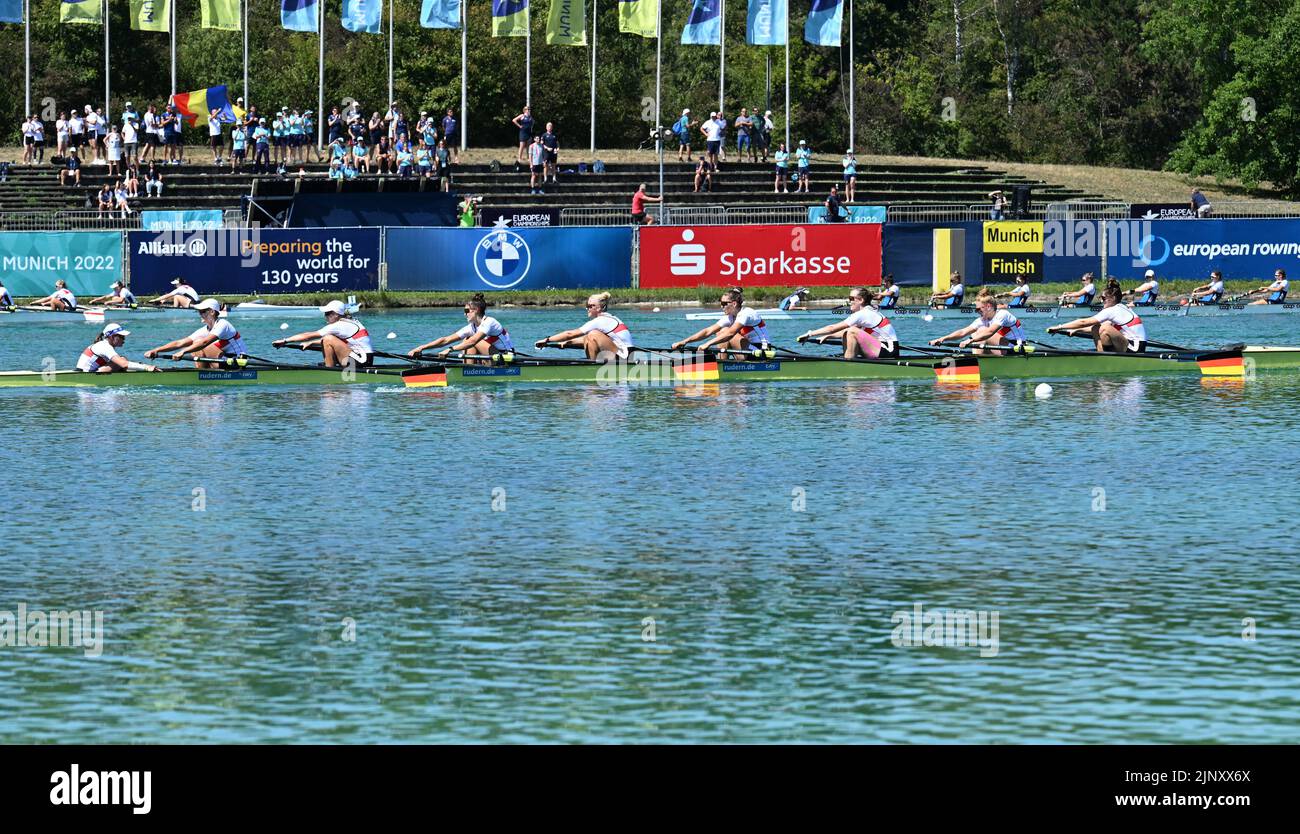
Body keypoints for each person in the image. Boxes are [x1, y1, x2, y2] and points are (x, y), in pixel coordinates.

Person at [408, 294, 514, 362]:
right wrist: (422, 347)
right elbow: (446, 340)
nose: (465, 314)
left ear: (475, 310)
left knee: (470, 340)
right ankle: (469, 370)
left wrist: (450, 350)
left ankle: (469, 370)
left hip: (505, 358)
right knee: (468, 339)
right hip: (490, 357)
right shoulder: (471, 327)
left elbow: (473, 341)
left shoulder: (490, 322)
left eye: (466, 311)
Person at [800, 288, 901, 359]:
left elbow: (832, 327)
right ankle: (848, 358)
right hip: (879, 348)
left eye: (851, 298)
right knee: (849, 331)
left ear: (861, 300)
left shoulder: (863, 313)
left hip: (889, 351)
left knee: (851, 331)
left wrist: (810, 333)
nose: (849, 302)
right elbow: (842, 331)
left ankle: (848, 364)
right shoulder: (867, 312)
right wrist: (828, 336)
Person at [146, 299, 249, 366]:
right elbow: (179, 343)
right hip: (222, 361)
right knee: (195, 344)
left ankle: (205, 375)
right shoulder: (205, 329)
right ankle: (202, 374)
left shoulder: (223, 324)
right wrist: (156, 350)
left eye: (203, 311)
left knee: (198, 342)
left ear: (212, 312)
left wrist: (183, 352)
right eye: (199, 312)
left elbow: (204, 343)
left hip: (237, 362)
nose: (200, 314)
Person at [1048, 283, 1147, 353]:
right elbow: (1092, 327)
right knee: (1097, 327)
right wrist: (1077, 329)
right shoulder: (1121, 307)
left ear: (1113, 298)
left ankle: (1102, 356)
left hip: (1136, 348)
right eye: (1100, 298)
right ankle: (1103, 353)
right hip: (1130, 344)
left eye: (1103, 298)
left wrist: (1059, 327)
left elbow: (1084, 321)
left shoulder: (1112, 310)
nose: (1101, 300)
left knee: (1104, 328)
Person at [275, 300, 373, 367]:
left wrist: (285, 340)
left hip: (361, 361)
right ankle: (330, 365)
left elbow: (307, 335)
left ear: (336, 314)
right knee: (328, 339)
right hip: (364, 358)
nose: (325, 316)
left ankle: (329, 370)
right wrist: (311, 343)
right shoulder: (350, 321)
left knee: (327, 339)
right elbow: (339, 341)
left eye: (327, 313)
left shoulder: (339, 325)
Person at [536, 292, 634, 360]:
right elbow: (583, 340)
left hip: (625, 357)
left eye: (591, 306)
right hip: (624, 354)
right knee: (589, 336)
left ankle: (592, 368)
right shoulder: (609, 319)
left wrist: (547, 340)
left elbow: (570, 334)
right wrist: (564, 343)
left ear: (601, 308)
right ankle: (594, 364)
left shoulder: (601, 321)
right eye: (587, 305)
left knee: (592, 335)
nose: (588, 308)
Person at [671, 288, 772, 353]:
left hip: (761, 351)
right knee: (721, 331)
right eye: (721, 303)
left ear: (734, 304)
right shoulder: (730, 317)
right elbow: (708, 331)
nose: (721, 306)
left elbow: (730, 333)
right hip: (747, 350)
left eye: (724, 304)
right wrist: (684, 341)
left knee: (725, 331)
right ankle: (721, 364)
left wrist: (708, 344)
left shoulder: (747, 313)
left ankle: (722, 366)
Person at [931, 292, 1027, 354]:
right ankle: (977, 361)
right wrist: (942, 339)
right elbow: (962, 332)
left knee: (981, 331)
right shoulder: (982, 320)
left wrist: (971, 340)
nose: (976, 312)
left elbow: (990, 332)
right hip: (1003, 348)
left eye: (978, 309)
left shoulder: (1003, 314)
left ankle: (976, 364)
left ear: (988, 307)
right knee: (976, 332)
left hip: (1016, 348)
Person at [76, 323, 160, 374]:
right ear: (112, 337)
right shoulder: (104, 346)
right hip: (86, 374)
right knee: (122, 360)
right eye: (121, 337)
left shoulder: (103, 345)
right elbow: (123, 364)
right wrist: (146, 367)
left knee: (121, 360)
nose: (124, 339)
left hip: (86, 372)